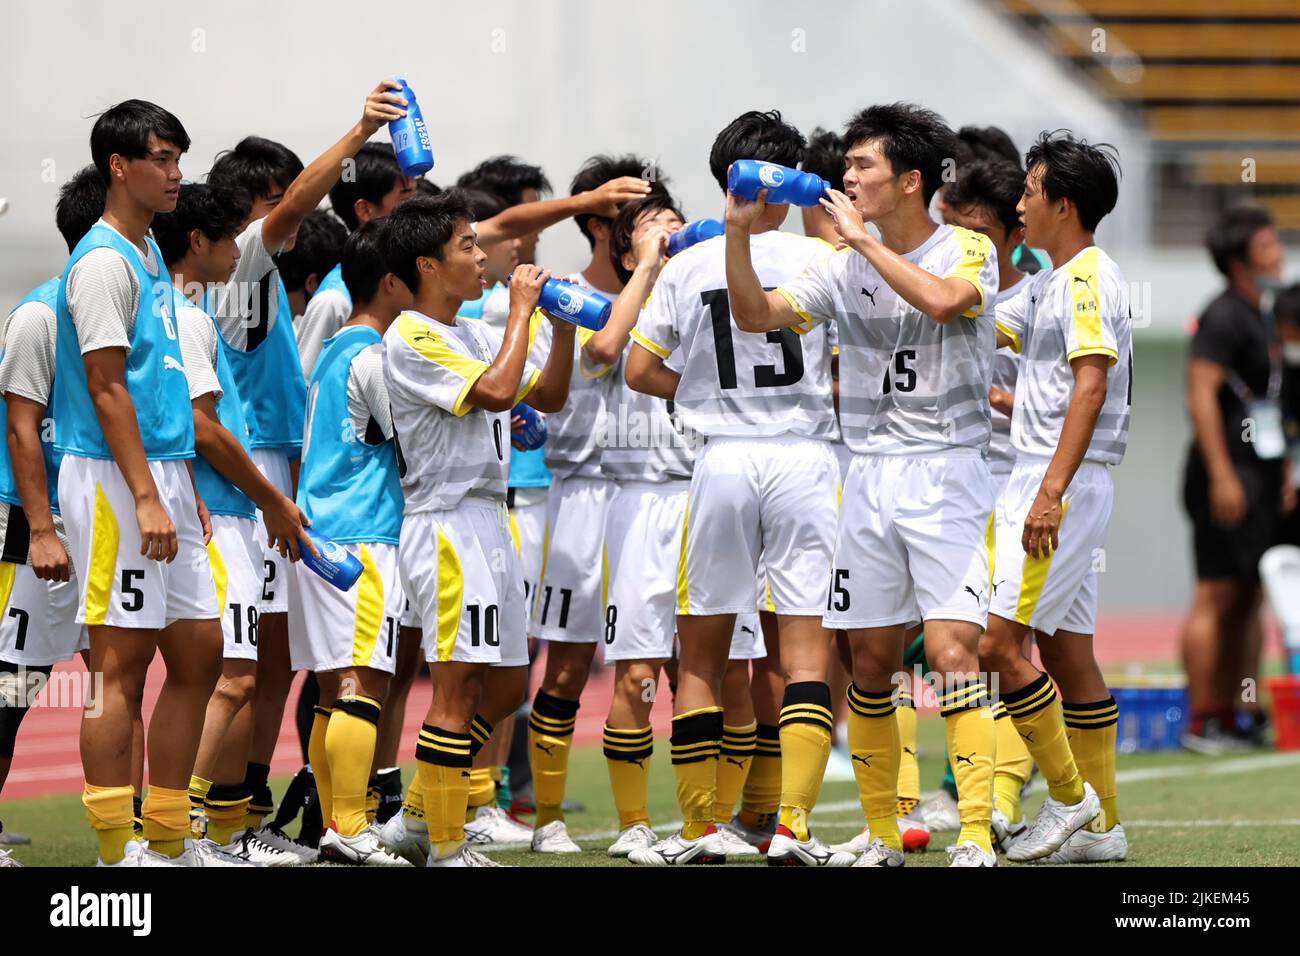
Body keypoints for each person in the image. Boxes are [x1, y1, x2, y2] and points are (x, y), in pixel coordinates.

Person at [727, 103, 1002, 868]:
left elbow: (945, 301)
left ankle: (976, 833)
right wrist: (740, 237)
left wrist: (860, 245)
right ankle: (884, 834)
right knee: (871, 664)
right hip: (869, 477)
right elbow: (756, 317)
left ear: (910, 182)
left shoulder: (968, 248)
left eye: (862, 167)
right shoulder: (842, 265)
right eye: (846, 167)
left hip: (948, 474)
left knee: (950, 656)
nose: (845, 178)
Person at [627, 110, 843, 866]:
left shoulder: (690, 262)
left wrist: (706, 392)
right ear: (783, 181)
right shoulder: (821, 255)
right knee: (805, 651)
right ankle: (793, 829)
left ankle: (697, 833)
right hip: (806, 457)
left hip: (721, 459)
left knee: (699, 657)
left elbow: (636, 368)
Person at [205, 81, 408, 854]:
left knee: (282, 665)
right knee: (235, 670)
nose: (291, 210)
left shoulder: (267, 293)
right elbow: (292, 205)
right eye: (275, 199)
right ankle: (205, 821)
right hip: (248, 492)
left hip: (279, 493)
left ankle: (252, 816)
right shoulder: (246, 270)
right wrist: (358, 131)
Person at [379, 194, 575, 867]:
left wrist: (565, 330)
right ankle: (445, 843)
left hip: (490, 520)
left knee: (506, 681)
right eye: (466, 246)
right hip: (446, 525)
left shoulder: (467, 332)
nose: (482, 256)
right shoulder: (410, 335)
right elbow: (494, 393)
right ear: (428, 265)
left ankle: (414, 815)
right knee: (457, 686)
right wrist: (520, 312)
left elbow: (545, 395)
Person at [53, 99, 224, 866]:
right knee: (117, 668)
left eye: (179, 157)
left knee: (201, 656)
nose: (176, 173)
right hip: (117, 483)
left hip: (164, 476)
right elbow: (107, 388)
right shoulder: (100, 262)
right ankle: (115, 851)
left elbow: (160, 390)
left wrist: (180, 484)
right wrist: (148, 496)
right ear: (118, 166)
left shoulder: (151, 252)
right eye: (161, 157)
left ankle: (166, 835)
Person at [596, 193, 766, 858]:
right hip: (640, 502)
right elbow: (606, 352)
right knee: (638, 669)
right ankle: (634, 822)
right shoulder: (617, 306)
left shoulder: (713, 289)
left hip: (712, 488)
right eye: (649, 227)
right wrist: (645, 269)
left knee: (732, 667)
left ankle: (722, 818)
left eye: (674, 222)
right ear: (625, 247)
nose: (668, 231)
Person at [153, 182, 313, 866]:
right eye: (230, 239)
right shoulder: (185, 316)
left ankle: (204, 830)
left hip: (221, 512)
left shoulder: (180, 311)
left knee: (227, 677)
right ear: (198, 242)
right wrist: (272, 499)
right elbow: (200, 426)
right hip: (221, 517)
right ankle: (176, 828)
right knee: (230, 678)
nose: (238, 253)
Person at [982, 131, 1131, 864]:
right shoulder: (1048, 279)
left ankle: (1072, 801)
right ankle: (1103, 832)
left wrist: (1048, 493)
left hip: (1054, 487)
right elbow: (981, 325)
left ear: (1062, 204)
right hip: (1052, 475)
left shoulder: (1086, 279)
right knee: (1067, 655)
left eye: (1030, 190)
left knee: (998, 645)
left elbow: (1092, 385)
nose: (1019, 203)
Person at [523, 154, 656, 854]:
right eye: (632, 208)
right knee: (568, 666)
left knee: (644, 667)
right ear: (601, 223)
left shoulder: (667, 289)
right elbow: (599, 356)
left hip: (650, 491)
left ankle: (638, 824)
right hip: (577, 492)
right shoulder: (562, 293)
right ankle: (546, 818)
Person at [291, 218, 413, 865]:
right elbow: (412, 446)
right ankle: (351, 825)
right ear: (392, 282)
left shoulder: (333, 350)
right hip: (361, 538)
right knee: (363, 684)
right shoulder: (373, 356)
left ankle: (338, 822)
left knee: (331, 686)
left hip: (318, 537)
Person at [0, 165, 104, 865]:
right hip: (30, 524)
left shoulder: (134, 310)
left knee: (112, 679)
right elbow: (20, 428)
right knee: (15, 684)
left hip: (103, 518)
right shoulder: (42, 313)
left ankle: (128, 836)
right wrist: (40, 527)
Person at [1181, 207, 1288, 753]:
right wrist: (1222, 474)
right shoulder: (1221, 315)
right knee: (1216, 595)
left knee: (1249, 596)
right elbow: (1198, 395)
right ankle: (1204, 718)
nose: (1280, 250)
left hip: (1260, 476)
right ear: (1240, 259)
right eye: (1269, 243)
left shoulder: (1263, 311)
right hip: (1224, 476)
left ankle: (1242, 710)